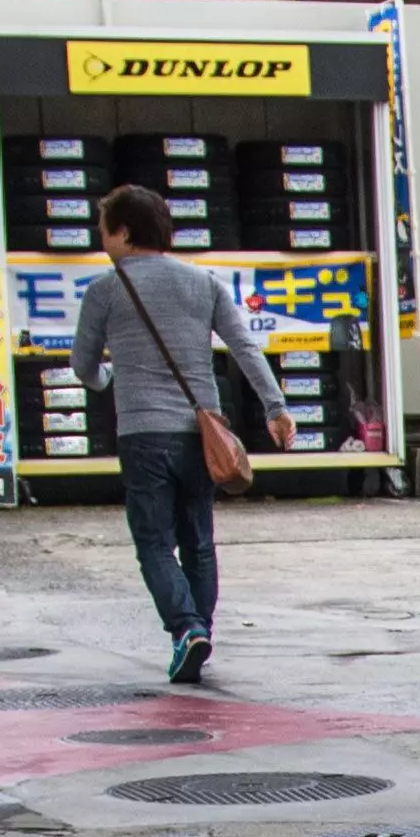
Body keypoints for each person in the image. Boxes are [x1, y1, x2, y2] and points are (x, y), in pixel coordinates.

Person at [70, 187, 287, 685]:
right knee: (199, 542)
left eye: (104, 228)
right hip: (201, 433)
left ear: (124, 233)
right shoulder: (203, 283)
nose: (101, 238)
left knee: (152, 541)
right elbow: (244, 348)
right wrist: (275, 407)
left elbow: (84, 366)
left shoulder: (105, 290)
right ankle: (199, 634)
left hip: (143, 433)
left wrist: (108, 381)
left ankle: (186, 628)